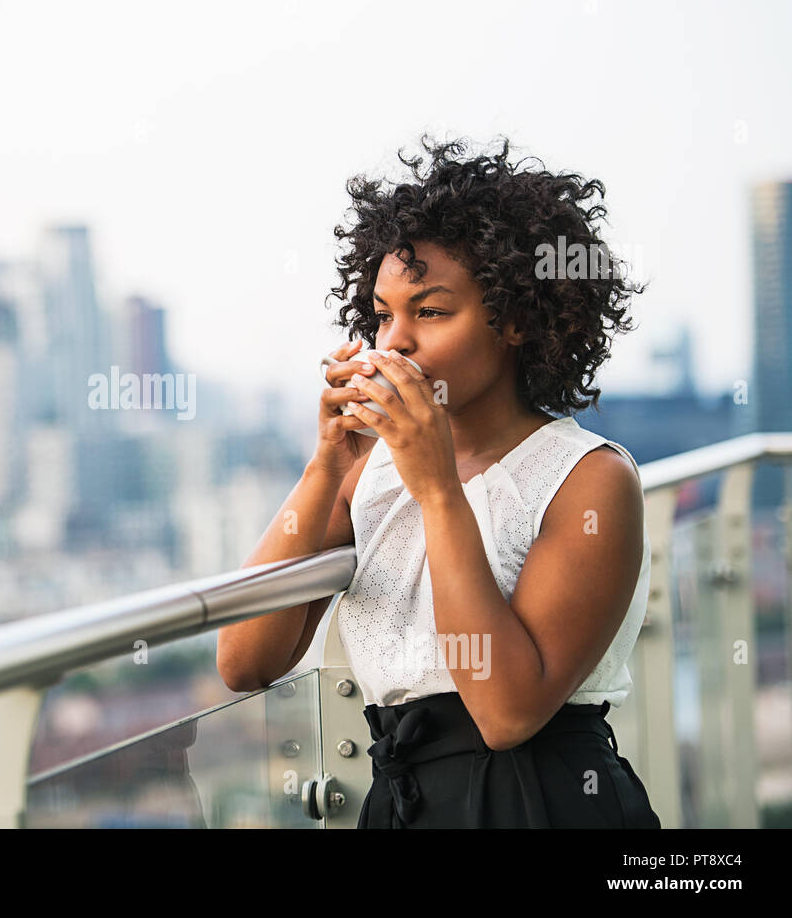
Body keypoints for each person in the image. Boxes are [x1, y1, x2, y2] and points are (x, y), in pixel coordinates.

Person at [217, 134, 661, 827]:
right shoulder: (368, 477)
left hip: (542, 805)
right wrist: (327, 464)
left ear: (516, 321)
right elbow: (244, 663)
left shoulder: (589, 480)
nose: (394, 341)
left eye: (429, 311)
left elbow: (506, 712)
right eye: (382, 315)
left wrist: (437, 490)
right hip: (403, 804)